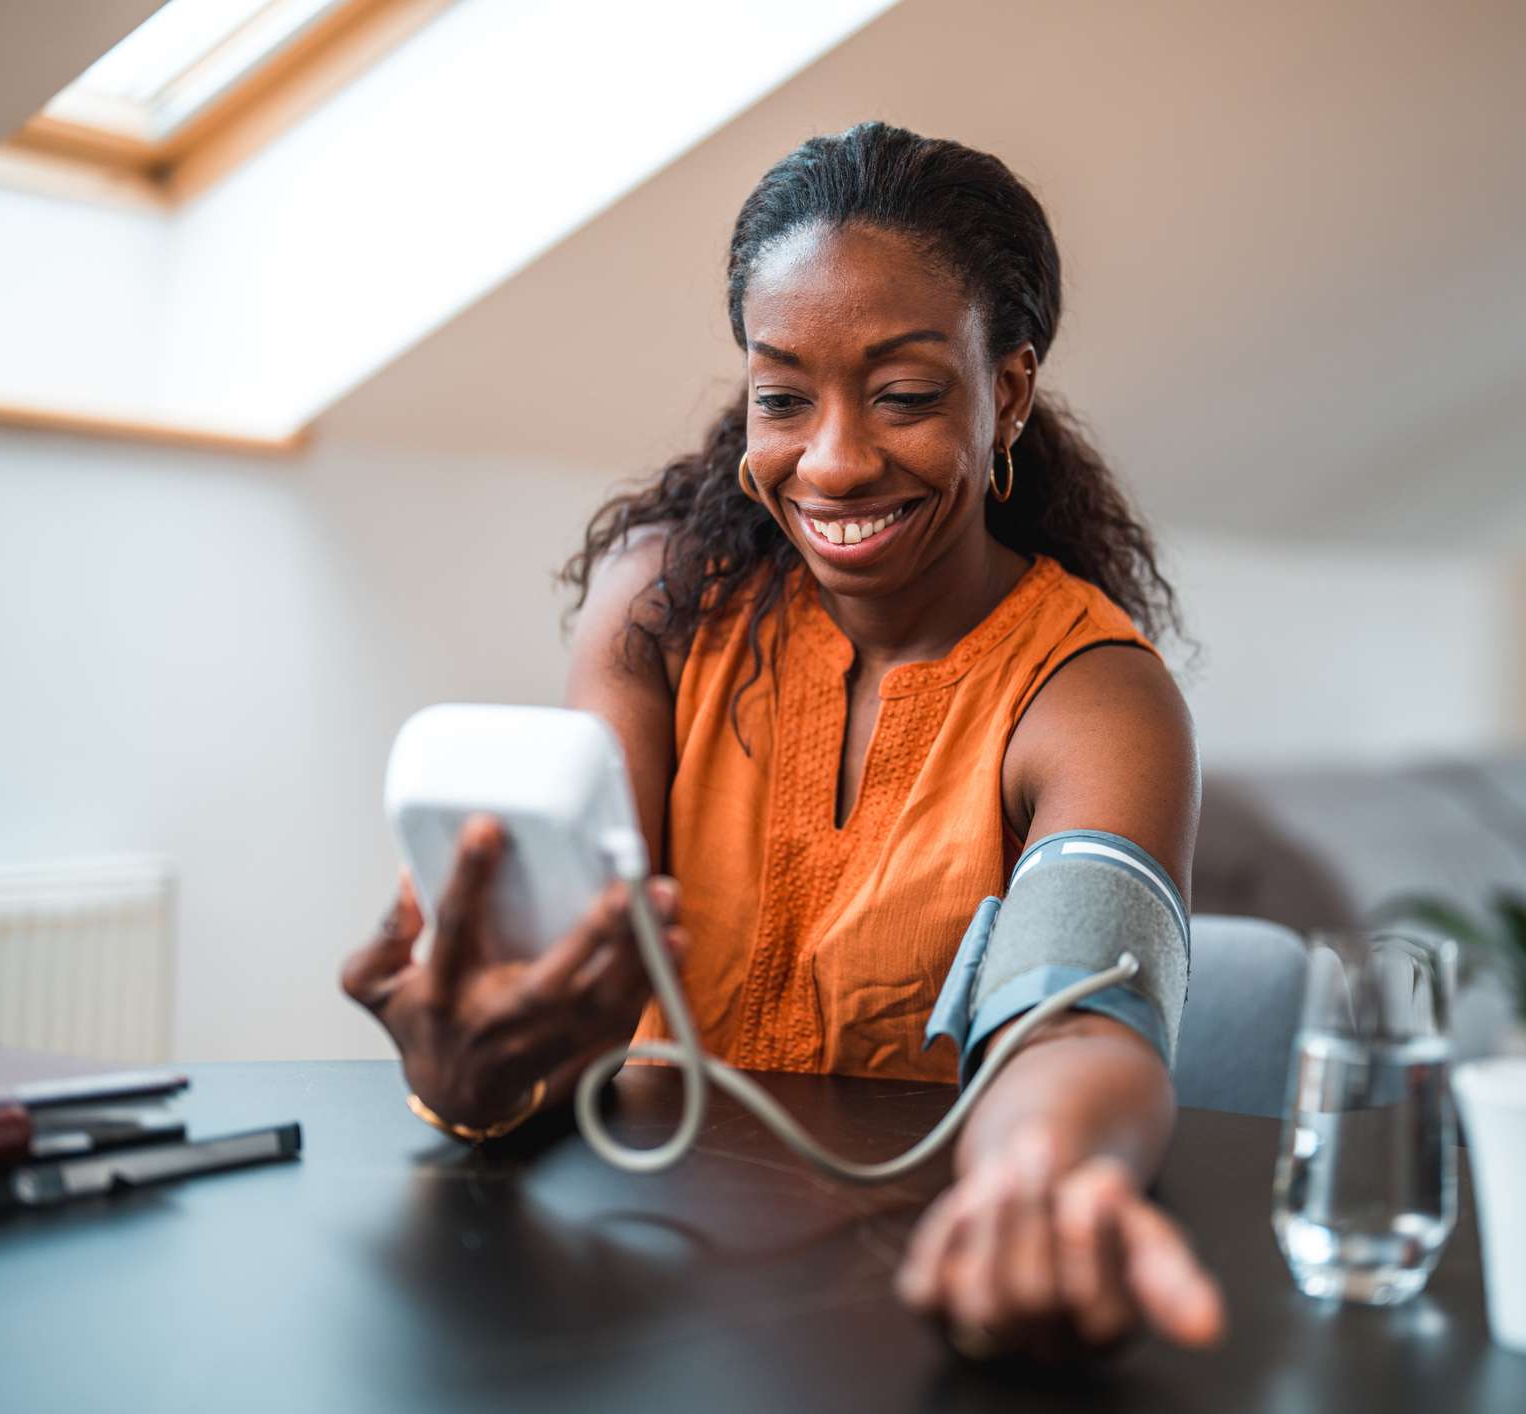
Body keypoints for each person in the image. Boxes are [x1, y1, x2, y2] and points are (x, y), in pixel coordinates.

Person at [341, 121, 1224, 1360]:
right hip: (634, 1306)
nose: (835, 461)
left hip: (909, 1301)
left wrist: (1034, 1169)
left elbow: (1077, 1022)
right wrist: (482, 1066)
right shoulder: (662, 605)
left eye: (907, 396)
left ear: (1007, 390)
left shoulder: (1091, 696)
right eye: (782, 397)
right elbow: (590, 991)